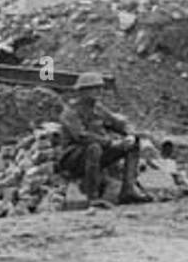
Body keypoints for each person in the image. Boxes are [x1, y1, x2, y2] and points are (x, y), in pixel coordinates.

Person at [59, 72, 151, 206]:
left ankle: (128, 190)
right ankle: (93, 198)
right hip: (72, 159)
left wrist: (129, 133)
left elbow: (117, 123)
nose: (98, 91)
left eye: (99, 88)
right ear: (83, 91)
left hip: (96, 154)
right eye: (94, 88)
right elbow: (81, 136)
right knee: (94, 147)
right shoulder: (70, 112)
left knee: (132, 144)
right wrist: (110, 143)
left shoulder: (98, 108)